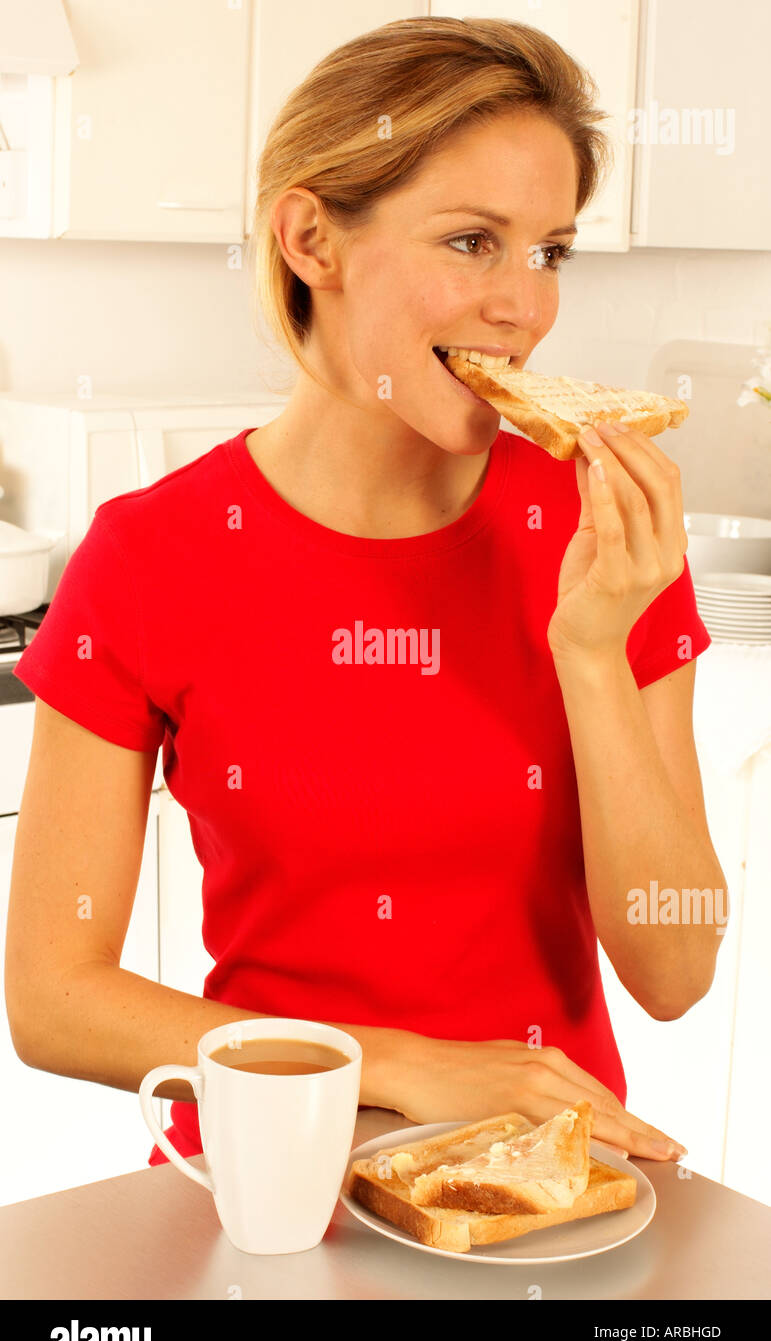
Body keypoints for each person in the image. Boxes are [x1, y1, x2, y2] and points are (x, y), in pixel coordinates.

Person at [7, 17, 726, 1171]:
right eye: (473, 242)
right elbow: (52, 998)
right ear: (311, 238)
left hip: (542, 1188)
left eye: (550, 252)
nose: (524, 308)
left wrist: (593, 653)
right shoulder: (151, 555)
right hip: (266, 1180)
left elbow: (676, 970)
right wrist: (390, 1061)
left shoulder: (600, 535)